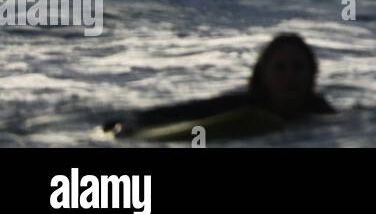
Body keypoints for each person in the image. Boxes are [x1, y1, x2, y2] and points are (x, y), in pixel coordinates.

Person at [102, 34, 335, 138]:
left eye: (298, 68)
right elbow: (186, 112)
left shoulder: (319, 110)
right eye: (280, 68)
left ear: (311, 74)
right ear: (263, 75)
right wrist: (133, 122)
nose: (289, 76)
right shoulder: (244, 105)